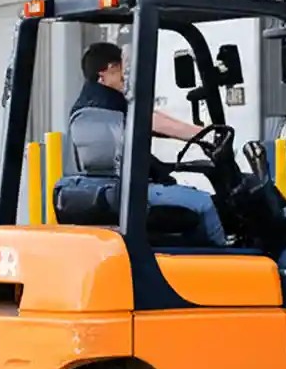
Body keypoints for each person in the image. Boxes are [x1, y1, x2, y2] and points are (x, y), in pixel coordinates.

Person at [72, 42, 227, 245]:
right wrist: (206, 133)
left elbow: (149, 124)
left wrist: (195, 136)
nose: (124, 78)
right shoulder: (110, 102)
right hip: (132, 191)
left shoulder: (85, 106)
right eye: (121, 71)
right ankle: (225, 255)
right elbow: (150, 120)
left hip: (106, 189)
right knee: (204, 203)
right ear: (108, 70)